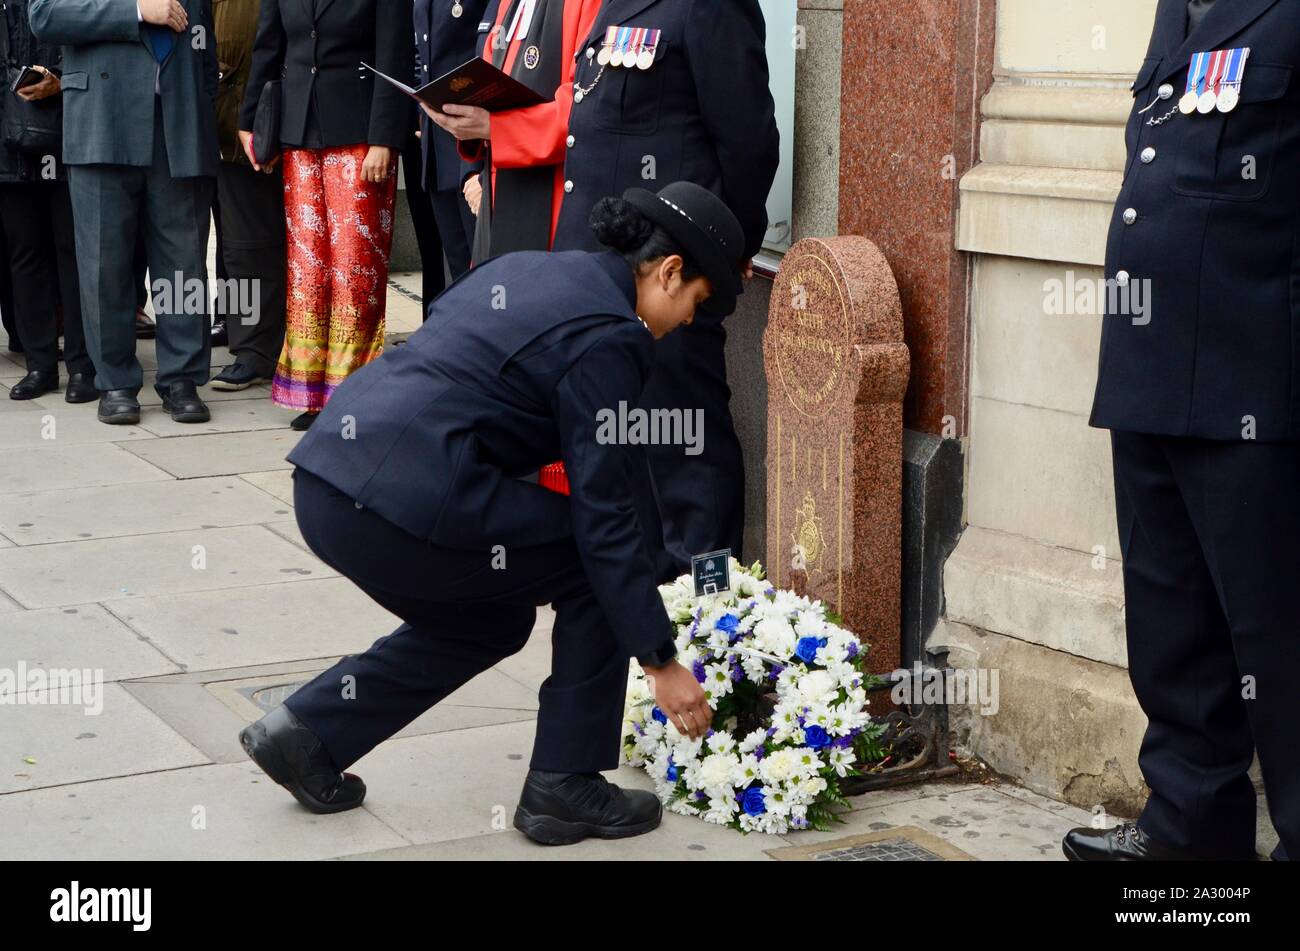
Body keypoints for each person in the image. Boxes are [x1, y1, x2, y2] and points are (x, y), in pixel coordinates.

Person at [238, 182, 742, 845]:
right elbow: (605, 519)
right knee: (593, 563)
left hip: (330, 483)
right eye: (695, 305)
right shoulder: (611, 339)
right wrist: (661, 660)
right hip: (401, 497)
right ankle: (566, 782)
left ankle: (307, 732)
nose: (683, 324)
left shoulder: (527, 267)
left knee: (488, 619)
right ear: (670, 271)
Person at [1063, 0, 1298, 862]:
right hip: (1151, 370)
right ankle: (1189, 835)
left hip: (1254, 376)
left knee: (1278, 637)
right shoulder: (1183, 9)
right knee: (1172, 627)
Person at [550, 0, 779, 571]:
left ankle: (707, 620)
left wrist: (727, 249)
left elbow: (748, 139)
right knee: (620, 455)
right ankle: (644, 612)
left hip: (669, 272)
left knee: (685, 456)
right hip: (603, 274)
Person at [30, 0, 219, 426]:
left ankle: (181, 379)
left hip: (179, 124)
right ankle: (115, 382)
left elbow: (205, 35)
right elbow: (44, 15)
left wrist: (204, 103)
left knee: (183, 264)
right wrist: (136, 10)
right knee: (104, 265)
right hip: (102, 122)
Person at [238, 0, 414, 431]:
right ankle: (312, 392)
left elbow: (395, 52)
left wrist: (384, 138)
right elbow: (269, 48)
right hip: (297, 132)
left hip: (358, 134)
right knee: (307, 269)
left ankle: (353, 393)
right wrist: (250, 123)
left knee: (355, 269)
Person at [426, 0, 602, 262]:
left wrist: (496, 127)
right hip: (499, 188)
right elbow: (490, 68)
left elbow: (585, 107)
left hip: (554, 195)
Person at [0, 0, 94, 402]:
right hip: (8, 138)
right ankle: (39, 364)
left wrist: (61, 80)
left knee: (73, 251)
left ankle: (81, 365)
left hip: (68, 131)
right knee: (25, 254)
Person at [209, 0, 287, 392]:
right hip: (233, 128)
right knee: (241, 248)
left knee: (306, 246)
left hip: (301, 123)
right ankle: (253, 351)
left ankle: (299, 344)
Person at [413, 0, 487, 281]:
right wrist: (422, 112)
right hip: (437, 144)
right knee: (457, 269)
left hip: (473, 142)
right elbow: (421, 54)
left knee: (480, 265)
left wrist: (479, 163)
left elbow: (489, 53)